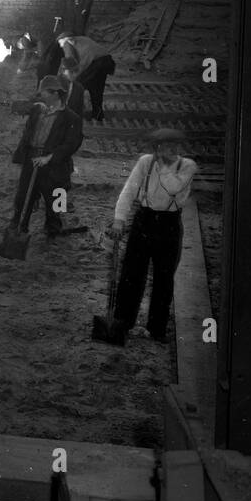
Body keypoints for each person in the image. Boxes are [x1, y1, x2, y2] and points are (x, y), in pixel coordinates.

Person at [100, 129, 197, 344]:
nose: (171, 150)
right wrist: (119, 218)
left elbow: (173, 187)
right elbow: (129, 189)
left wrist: (165, 166)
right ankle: (122, 321)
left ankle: (157, 328)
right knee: (131, 273)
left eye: (174, 146)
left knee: (164, 277)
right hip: (144, 219)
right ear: (157, 147)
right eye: (164, 146)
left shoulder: (187, 166)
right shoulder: (145, 162)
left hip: (169, 224)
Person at [10, 75, 84, 239]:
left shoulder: (71, 119)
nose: (40, 95)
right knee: (23, 196)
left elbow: (71, 144)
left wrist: (49, 157)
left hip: (55, 165)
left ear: (55, 94)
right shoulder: (37, 110)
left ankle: (53, 229)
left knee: (56, 199)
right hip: (32, 159)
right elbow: (21, 109)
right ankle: (19, 225)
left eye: (43, 92)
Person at [39, 34, 114, 123]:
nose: (60, 45)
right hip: (106, 61)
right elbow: (79, 59)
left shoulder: (65, 42)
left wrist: (67, 74)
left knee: (76, 87)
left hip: (94, 63)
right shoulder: (81, 40)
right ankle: (98, 115)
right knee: (97, 89)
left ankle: (70, 115)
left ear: (61, 39)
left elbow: (70, 60)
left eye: (59, 43)